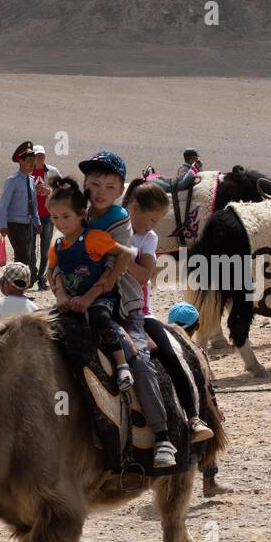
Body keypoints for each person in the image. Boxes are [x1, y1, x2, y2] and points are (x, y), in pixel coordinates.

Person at [77, 151, 176, 468]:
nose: (99, 191)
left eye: (108, 186)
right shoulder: (81, 217)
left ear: (120, 191)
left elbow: (143, 273)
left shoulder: (126, 226)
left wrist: (118, 256)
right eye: (93, 184)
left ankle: (162, 436)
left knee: (140, 361)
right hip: (85, 303)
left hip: (126, 308)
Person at [124, 179, 215, 444]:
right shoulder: (112, 229)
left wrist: (119, 255)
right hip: (106, 305)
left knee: (171, 356)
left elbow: (144, 276)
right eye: (152, 220)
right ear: (133, 209)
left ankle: (192, 417)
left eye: (157, 221)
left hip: (140, 311)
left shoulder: (147, 238)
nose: (154, 227)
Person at [46, 178, 136, 392]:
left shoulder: (95, 238)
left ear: (81, 213)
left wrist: (108, 283)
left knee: (101, 320)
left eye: (66, 216)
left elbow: (124, 254)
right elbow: (50, 271)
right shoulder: (57, 245)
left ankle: (122, 365)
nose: (60, 223)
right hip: (72, 300)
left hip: (100, 299)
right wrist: (60, 294)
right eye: (55, 217)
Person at [167, 302, 229, 496]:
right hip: (194, 403)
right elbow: (206, 386)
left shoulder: (162, 348)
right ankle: (209, 482)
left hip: (171, 402)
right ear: (198, 326)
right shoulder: (196, 351)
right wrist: (215, 410)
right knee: (210, 433)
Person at [0, 141, 40, 268]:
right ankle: (17, 283)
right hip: (14, 224)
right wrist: (3, 224)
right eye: (29, 160)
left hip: (28, 223)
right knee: (23, 257)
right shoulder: (12, 181)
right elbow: (3, 205)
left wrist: (37, 222)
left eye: (33, 160)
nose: (32, 163)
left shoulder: (31, 180)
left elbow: (33, 204)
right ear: (20, 161)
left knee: (25, 256)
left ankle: (15, 283)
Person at [31, 145, 61, 290]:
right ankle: (32, 275)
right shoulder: (27, 172)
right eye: (37, 155)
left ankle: (41, 279)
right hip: (30, 216)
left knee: (45, 250)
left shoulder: (53, 172)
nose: (40, 157)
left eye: (42, 155)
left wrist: (50, 191)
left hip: (48, 216)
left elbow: (62, 190)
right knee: (30, 249)